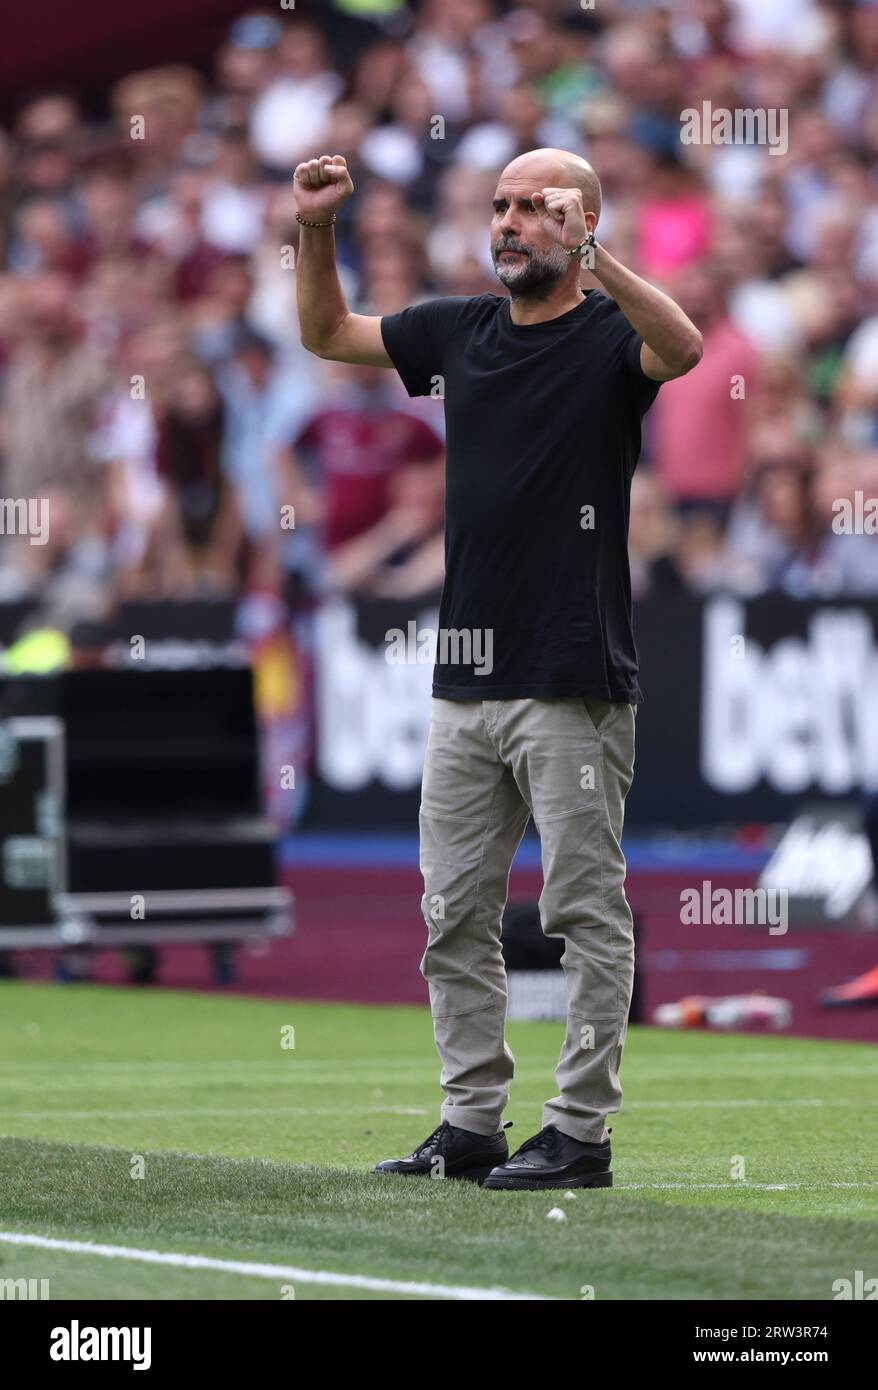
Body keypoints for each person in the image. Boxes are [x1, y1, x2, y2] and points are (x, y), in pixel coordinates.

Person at [294, 148, 702, 1190]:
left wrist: (597, 258)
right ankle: (470, 1121)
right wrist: (315, 230)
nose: (510, 222)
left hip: (570, 673)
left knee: (581, 912)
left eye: (534, 208)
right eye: (501, 206)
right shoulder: (459, 331)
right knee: (452, 913)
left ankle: (578, 1132)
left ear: (579, 223)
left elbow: (685, 346)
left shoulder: (612, 335)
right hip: (464, 679)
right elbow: (326, 333)